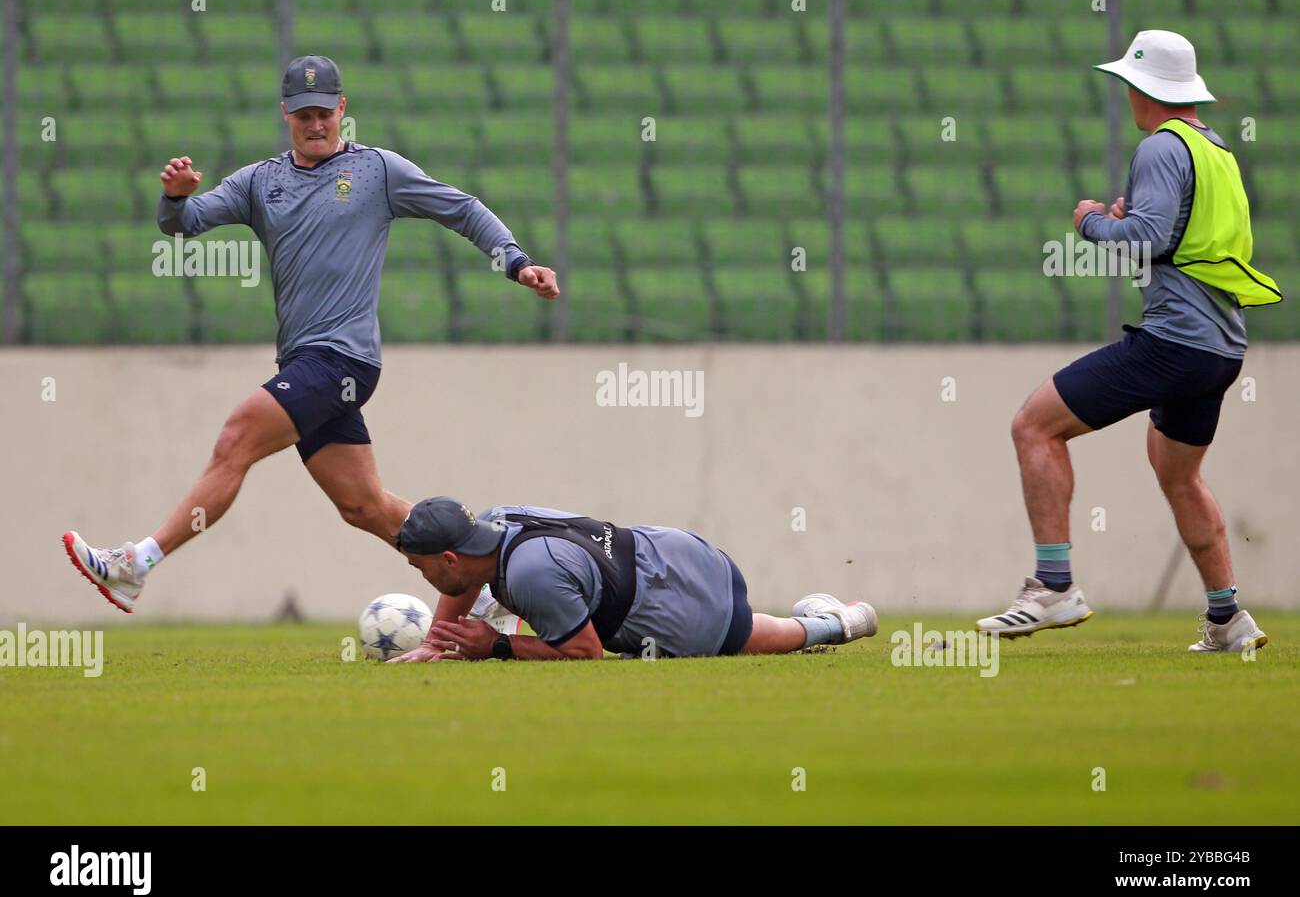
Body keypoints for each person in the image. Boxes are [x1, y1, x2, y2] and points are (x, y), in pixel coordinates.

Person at [62, 55, 557, 615]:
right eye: (303, 115)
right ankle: (491, 590)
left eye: (325, 112)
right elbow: (184, 225)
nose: (315, 124)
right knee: (365, 507)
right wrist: (175, 196)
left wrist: (517, 263)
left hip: (343, 360)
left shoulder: (379, 172)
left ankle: (136, 564)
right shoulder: (259, 182)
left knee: (235, 439)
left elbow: (461, 209)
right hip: (305, 364)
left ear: (343, 109)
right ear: (285, 115)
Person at [978, 31, 1279, 653]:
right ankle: (1228, 619)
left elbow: (1143, 237)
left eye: (1128, 85)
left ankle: (1054, 586)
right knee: (1180, 476)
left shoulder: (1160, 148)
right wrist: (1134, 221)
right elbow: (1181, 235)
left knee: (1034, 425)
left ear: (1146, 90)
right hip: (1220, 348)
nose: (1126, 97)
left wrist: (1091, 220)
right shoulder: (1215, 150)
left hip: (1175, 340)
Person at [387, 497, 878, 661]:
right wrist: (437, 640)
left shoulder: (531, 574)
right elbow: (466, 581)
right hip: (679, 551)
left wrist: (495, 647)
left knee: (751, 638)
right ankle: (826, 615)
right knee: (747, 622)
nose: (421, 575)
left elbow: (586, 653)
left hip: (676, 608)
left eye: (421, 566)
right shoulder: (498, 520)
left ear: (450, 558)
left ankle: (842, 622)